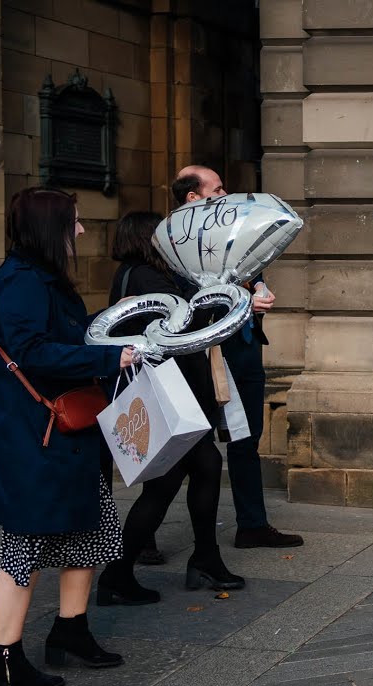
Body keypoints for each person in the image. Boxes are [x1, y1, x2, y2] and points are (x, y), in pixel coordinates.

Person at [0, 186, 136, 686]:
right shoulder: (21, 281)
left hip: (65, 439)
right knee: (25, 548)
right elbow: (35, 352)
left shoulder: (44, 278)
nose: (82, 230)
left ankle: (71, 630)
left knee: (87, 533)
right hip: (33, 442)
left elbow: (68, 336)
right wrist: (111, 359)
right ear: (51, 227)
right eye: (75, 222)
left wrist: (116, 326)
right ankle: (0, 659)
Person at [95, 210, 246, 605]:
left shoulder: (132, 274)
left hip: (166, 392)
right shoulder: (148, 278)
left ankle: (200, 559)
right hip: (169, 394)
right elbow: (181, 329)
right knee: (169, 481)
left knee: (200, 468)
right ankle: (121, 573)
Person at [170, 164, 303, 549]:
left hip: (245, 352)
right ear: (193, 198)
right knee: (190, 445)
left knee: (247, 441)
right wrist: (244, 302)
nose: (225, 195)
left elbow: (252, 268)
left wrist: (259, 288)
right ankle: (150, 534)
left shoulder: (231, 234)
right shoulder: (177, 246)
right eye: (218, 188)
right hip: (206, 357)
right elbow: (193, 302)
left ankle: (252, 524)